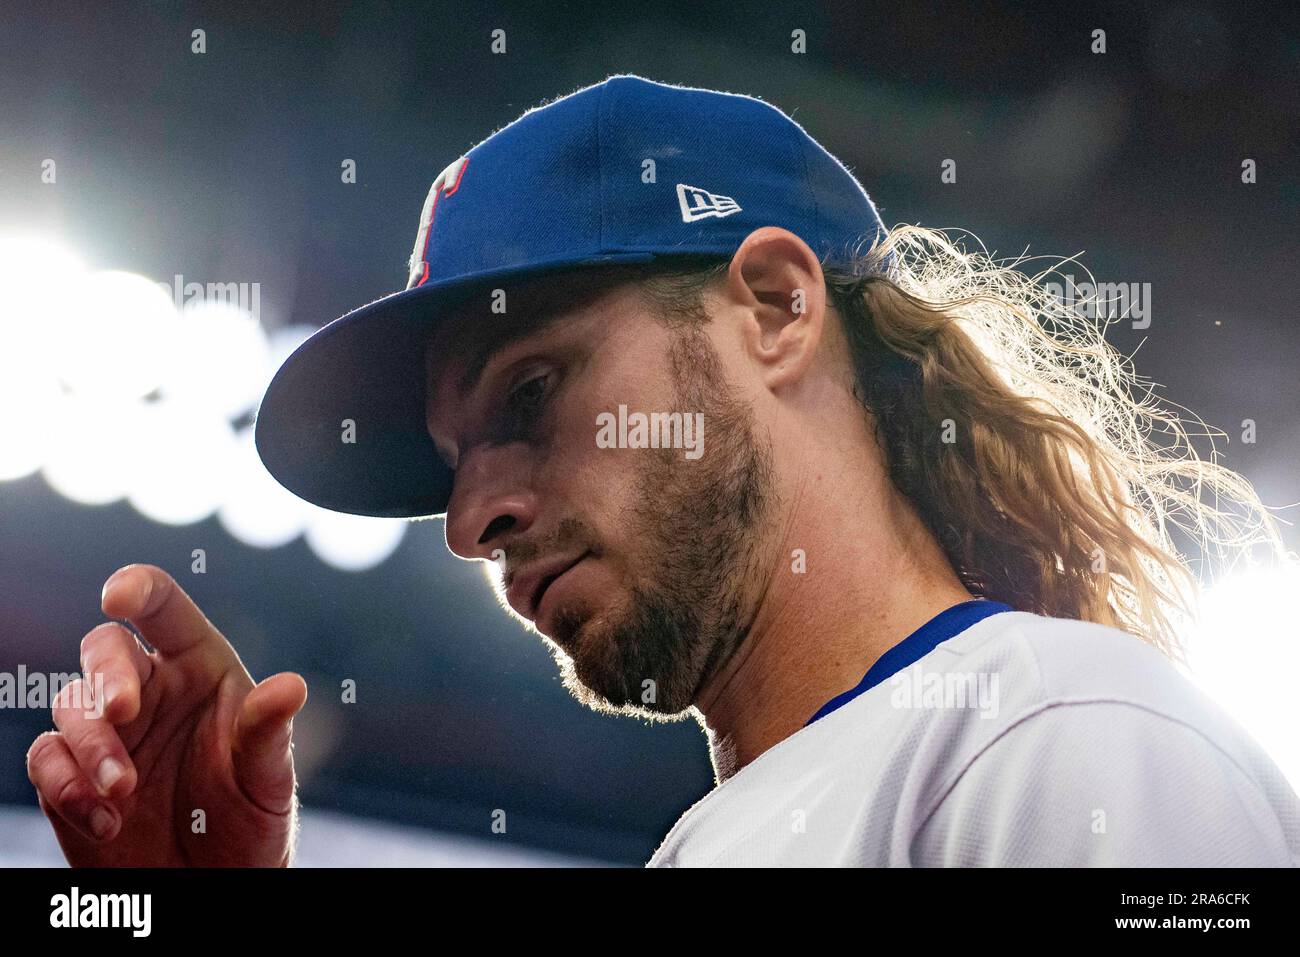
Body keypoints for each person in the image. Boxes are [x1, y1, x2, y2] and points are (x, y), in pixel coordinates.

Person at [27, 75, 1300, 867]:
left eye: (531, 394)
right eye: (455, 465)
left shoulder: (1055, 735)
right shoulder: (730, 832)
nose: (473, 521)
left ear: (774, 308)